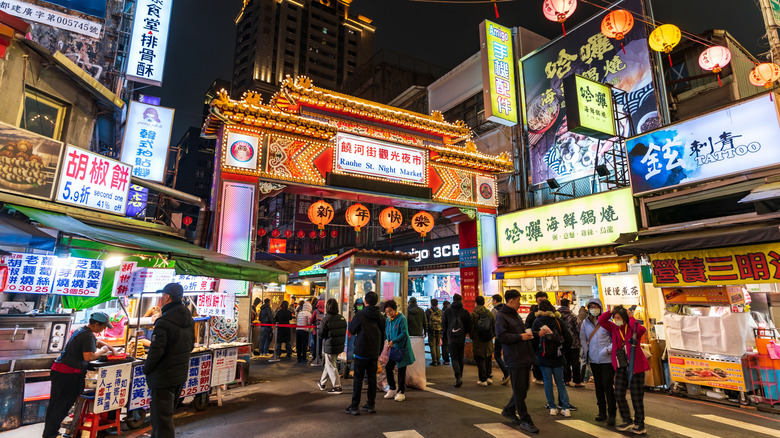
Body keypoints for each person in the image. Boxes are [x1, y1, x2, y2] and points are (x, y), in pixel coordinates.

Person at [43, 312, 117, 438]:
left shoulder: (82, 330)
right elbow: (89, 356)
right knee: (62, 405)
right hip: (69, 373)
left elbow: (95, 341)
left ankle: (49, 433)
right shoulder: (87, 335)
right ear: (96, 324)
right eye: (103, 326)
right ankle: (51, 434)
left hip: (60, 370)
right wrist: (103, 351)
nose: (104, 329)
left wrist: (109, 347)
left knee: (55, 404)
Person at [144, 283, 195, 438]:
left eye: (162, 296)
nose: (160, 299)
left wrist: (147, 369)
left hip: (163, 377)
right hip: (179, 375)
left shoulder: (164, 321)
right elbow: (191, 346)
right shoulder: (188, 318)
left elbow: (156, 351)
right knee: (165, 417)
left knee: (161, 422)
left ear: (167, 297)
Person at [598, 305, 650, 435]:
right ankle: (627, 419)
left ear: (625, 318)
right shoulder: (614, 327)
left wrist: (631, 318)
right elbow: (601, 321)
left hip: (635, 367)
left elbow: (641, 329)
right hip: (621, 366)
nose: (616, 320)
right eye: (615, 318)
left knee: (636, 397)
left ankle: (640, 424)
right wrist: (610, 312)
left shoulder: (632, 328)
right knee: (619, 393)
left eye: (618, 318)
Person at [495, 290, 538, 434]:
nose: (520, 303)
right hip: (514, 357)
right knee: (519, 390)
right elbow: (502, 337)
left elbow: (522, 333)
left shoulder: (515, 315)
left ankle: (509, 410)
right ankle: (526, 420)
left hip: (524, 356)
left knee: (524, 388)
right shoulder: (502, 316)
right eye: (518, 300)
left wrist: (536, 334)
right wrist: (520, 337)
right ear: (511, 300)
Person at [345, 291, 386, 415]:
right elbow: (383, 333)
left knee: (358, 378)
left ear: (366, 302)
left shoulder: (360, 315)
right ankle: (371, 404)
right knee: (372, 378)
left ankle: (354, 406)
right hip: (374, 352)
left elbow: (352, 329)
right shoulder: (380, 316)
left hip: (361, 351)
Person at [532, 299, 573, 417]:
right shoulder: (558, 321)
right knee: (560, 382)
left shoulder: (537, 322)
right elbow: (569, 338)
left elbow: (533, 340)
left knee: (547, 381)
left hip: (543, 357)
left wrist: (537, 352)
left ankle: (552, 407)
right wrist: (563, 350)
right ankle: (566, 408)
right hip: (558, 356)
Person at [580, 298, 616, 425]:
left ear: (600, 308)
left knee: (607, 385)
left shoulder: (608, 322)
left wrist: (607, 350)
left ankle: (612, 413)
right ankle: (602, 412)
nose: (593, 309)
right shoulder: (585, 323)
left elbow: (615, 340)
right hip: (594, 360)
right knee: (599, 387)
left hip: (607, 360)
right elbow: (583, 338)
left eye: (596, 306)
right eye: (591, 307)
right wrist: (587, 351)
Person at [383, 299, 415, 401]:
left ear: (395, 309)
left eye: (390, 311)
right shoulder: (388, 320)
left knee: (401, 370)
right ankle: (392, 388)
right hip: (393, 349)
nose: (388, 313)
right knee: (388, 368)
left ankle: (401, 392)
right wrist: (388, 341)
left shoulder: (402, 318)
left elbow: (404, 333)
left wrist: (394, 341)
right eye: (387, 312)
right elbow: (387, 332)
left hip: (402, 349)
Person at [317, 298, 347, 394]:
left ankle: (337, 386)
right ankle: (322, 383)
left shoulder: (326, 319)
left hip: (330, 345)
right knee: (329, 364)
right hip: (339, 345)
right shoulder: (342, 318)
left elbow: (321, 334)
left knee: (331, 365)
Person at [442, 294, 472, 387]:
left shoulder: (447, 311)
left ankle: (458, 376)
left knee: (454, 358)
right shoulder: (465, 312)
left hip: (451, 338)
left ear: (453, 300)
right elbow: (469, 326)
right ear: (461, 300)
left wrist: (448, 332)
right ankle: (460, 376)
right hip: (461, 338)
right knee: (460, 358)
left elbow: (443, 325)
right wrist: (463, 333)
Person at [558, 298, 584, 388]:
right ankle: (577, 382)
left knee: (565, 362)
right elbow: (579, 329)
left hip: (562, 343)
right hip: (574, 343)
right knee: (575, 362)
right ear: (569, 305)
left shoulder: (557, 316)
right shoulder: (573, 316)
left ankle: (566, 381)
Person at [471, 295, 494, 386]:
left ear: (476, 303)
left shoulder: (473, 314)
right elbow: (493, 325)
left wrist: (473, 337)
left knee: (480, 358)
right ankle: (488, 377)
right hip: (488, 339)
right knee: (488, 357)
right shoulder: (489, 313)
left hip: (478, 339)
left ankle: (482, 379)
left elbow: (471, 328)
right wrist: (492, 335)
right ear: (484, 303)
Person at [525, 292, 548, 383]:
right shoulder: (532, 314)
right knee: (537, 359)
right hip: (536, 341)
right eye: (540, 300)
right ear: (536, 301)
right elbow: (527, 327)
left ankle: (545, 376)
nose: (542, 303)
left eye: (544, 300)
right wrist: (536, 334)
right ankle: (539, 377)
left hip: (549, 342)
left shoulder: (553, 313)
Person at [491, 294, 511, 385]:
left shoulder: (494, 311)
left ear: (495, 301)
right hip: (508, 335)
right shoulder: (507, 309)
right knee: (507, 354)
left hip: (499, 336)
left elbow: (493, 324)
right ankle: (508, 372)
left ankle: (506, 372)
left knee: (497, 354)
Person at [425, 298, 443, 366]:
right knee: (437, 345)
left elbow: (426, 321)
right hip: (439, 330)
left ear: (431, 304)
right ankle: (438, 360)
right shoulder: (440, 311)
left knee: (432, 345)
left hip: (431, 330)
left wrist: (426, 330)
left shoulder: (428, 311)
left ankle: (434, 360)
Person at [310, 298, 325, 364]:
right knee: (321, 344)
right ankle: (321, 357)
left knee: (315, 344)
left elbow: (311, 320)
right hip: (323, 331)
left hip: (315, 331)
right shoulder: (325, 311)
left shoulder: (316, 311)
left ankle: (315, 356)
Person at [441, 300, 451, 365]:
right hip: (451, 331)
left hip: (444, 331)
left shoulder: (442, 312)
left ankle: (446, 359)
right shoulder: (452, 312)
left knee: (444, 346)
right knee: (450, 345)